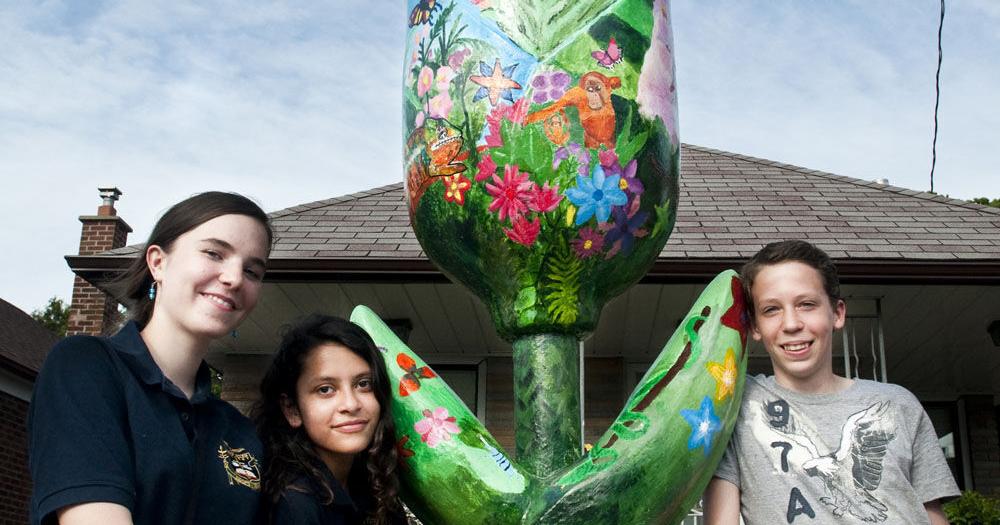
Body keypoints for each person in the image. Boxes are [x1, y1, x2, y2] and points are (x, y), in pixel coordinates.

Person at [29, 192, 273, 525]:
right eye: (214, 253)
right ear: (158, 262)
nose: (234, 278)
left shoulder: (239, 432)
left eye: (252, 271)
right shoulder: (87, 367)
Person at [704, 240, 959, 525]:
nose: (791, 324)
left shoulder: (897, 403)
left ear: (837, 313)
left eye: (807, 304)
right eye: (771, 309)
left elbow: (930, 513)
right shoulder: (735, 408)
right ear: (754, 326)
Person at [252, 314, 403, 525]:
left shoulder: (373, 485)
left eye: (363, 384)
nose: (351, 404)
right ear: (292, 409)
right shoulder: (293, 504)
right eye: (325, 389)